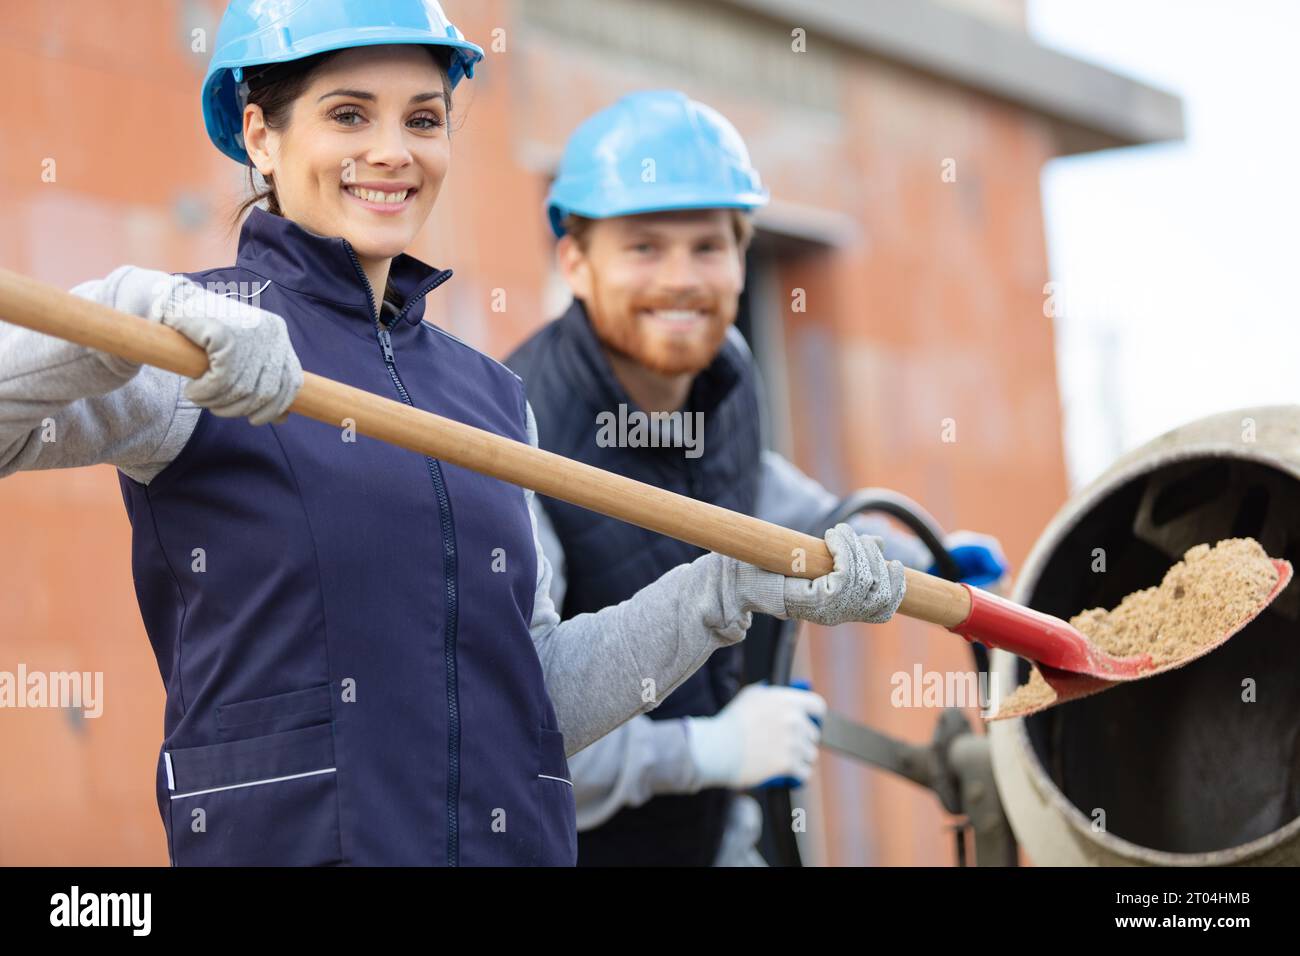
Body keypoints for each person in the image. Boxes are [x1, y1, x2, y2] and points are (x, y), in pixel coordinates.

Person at [0, 4, 906, 866]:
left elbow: (534, 690)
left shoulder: (488, 400)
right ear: (261, 134)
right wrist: (125, 311)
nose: (392, 152)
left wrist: (724, 587)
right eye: (349, 114)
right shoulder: (189, 343)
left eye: (424, 119)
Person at [507, 91, 1007, 866]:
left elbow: (748, 487)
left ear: (743, 258)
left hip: (711, 840)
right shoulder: (519, 428)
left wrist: (896, 552)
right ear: (574, 261)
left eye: (709, 247)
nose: (681, 279)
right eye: (643, 248)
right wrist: (709, 750)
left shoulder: (727, 378)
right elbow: (517, 723)